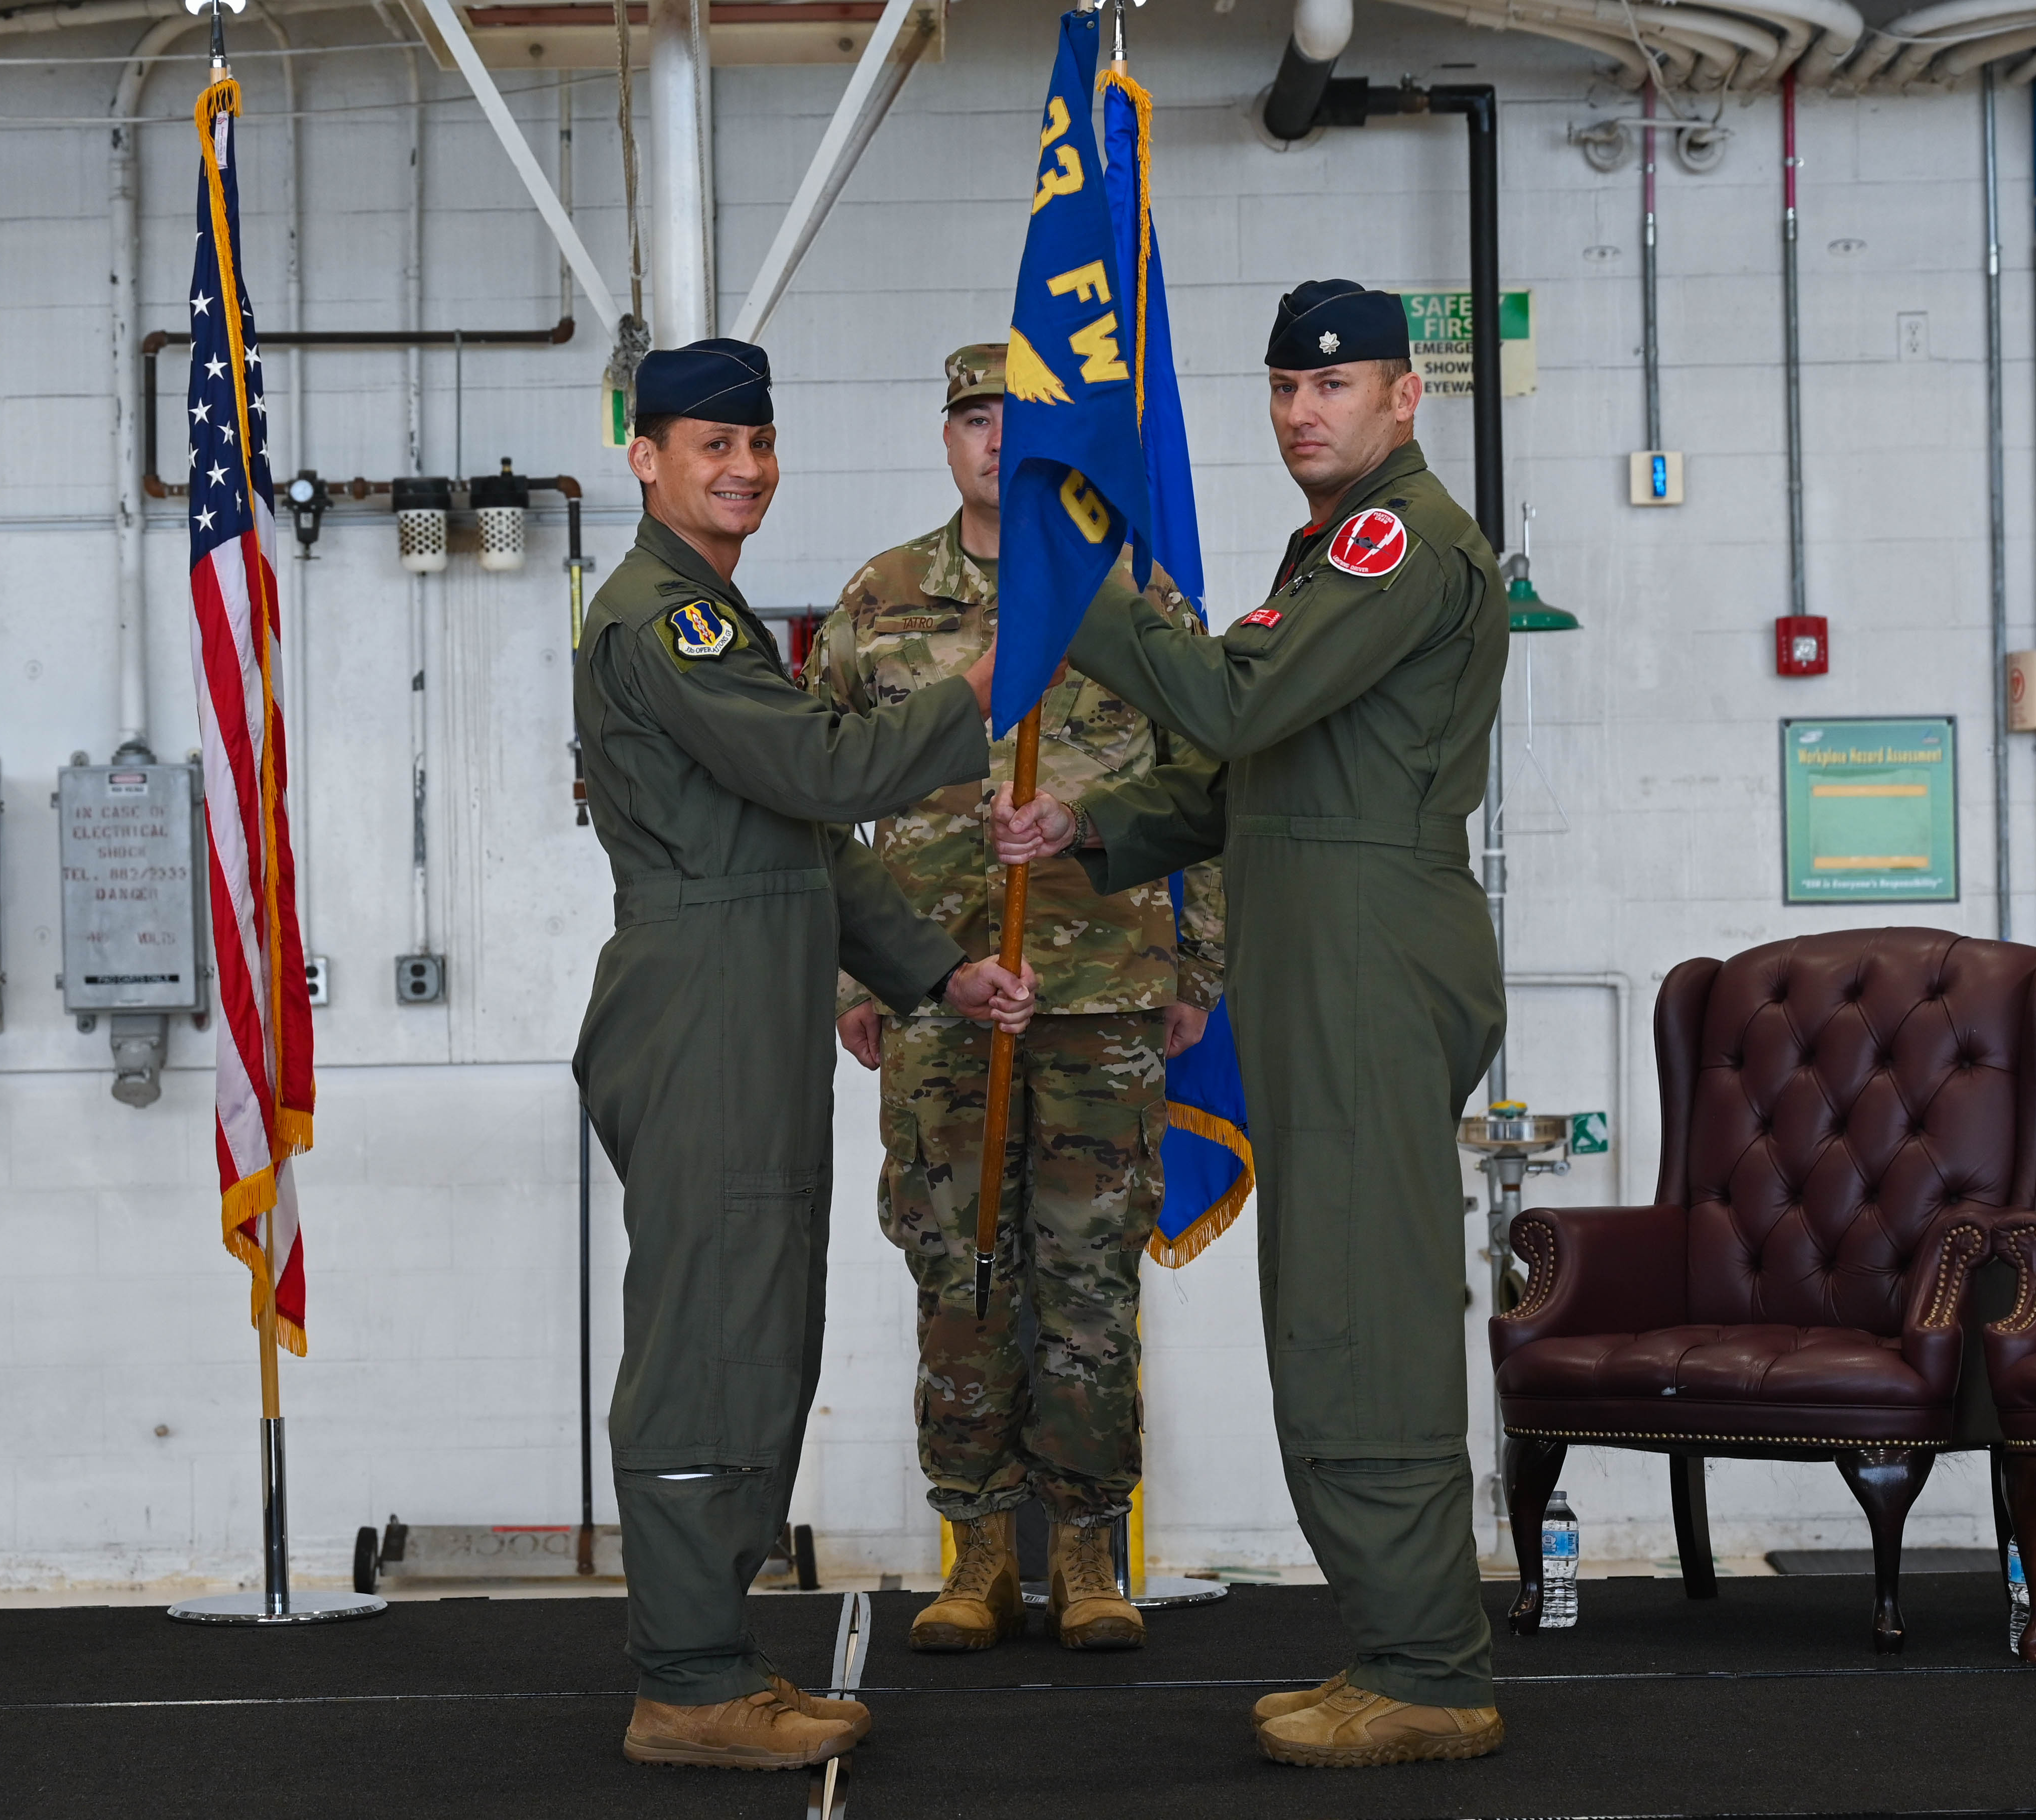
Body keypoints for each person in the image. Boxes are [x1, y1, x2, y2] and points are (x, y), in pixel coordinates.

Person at [993, 282, 1510, 1768]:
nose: (1302, 411)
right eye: (1284, 386)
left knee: (1366, 1307)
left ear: (1406, 396)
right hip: (1321, 945)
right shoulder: (1329, 545)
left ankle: (1427, 1667)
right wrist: (1088, 828)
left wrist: (1066, 597)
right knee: (1330, 1301)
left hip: (1366, 953)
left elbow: (1235, 700)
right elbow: (1247, 779)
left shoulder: (1396, 539)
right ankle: (1394, 1644)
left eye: (1333, 387)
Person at [574, 337, 1037, 1772]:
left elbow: (804, 844)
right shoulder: (666, 619)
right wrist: (983, 687)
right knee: (712, 1336)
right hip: (704, 1002)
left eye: (759, 443)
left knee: (758, 1324)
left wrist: (937, 970)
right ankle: (689, 1683)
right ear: (644, 456)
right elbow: (827, 777)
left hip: (749, 991)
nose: (745, 468)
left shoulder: (713, 610)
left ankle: (714, 1654)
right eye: (712, 444)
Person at [803, 342, 1225, 1655]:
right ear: (946, 440)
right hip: (933, 988)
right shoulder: (879, 599)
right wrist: (848, 973)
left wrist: (1195, 966)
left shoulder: (1132, 588)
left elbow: (1208, 784)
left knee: (1090, 1274)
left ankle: (1091, 1549)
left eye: (1019, 422)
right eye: (975, 420)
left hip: (1101, 992)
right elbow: (817, 798)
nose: (996, 442)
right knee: (959, 1266)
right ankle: (977, 1546)